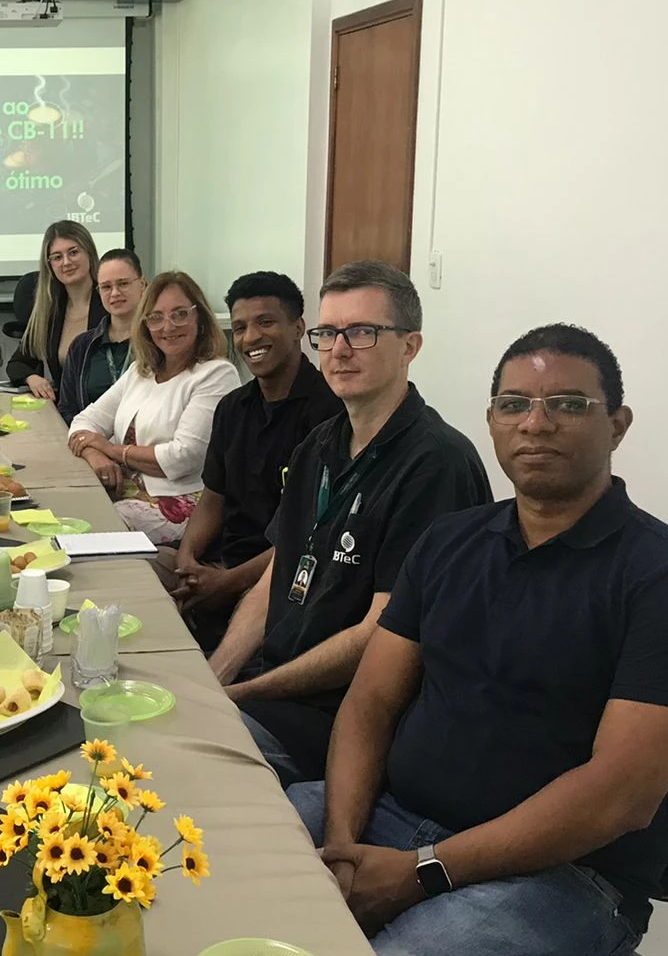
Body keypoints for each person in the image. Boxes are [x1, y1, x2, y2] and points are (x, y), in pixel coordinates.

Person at [289, 325, 668, 956]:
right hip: (390, 819)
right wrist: (343, 841)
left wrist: (422, 872)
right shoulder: (450, 543)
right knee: (217, 871)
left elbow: (618, 798)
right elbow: (369, 703)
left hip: (561, 881)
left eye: (568, 403)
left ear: (617, 425)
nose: (536, 423)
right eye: (514, 403)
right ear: (492, 420)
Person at [210, 260, 490, 785]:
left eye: (362, 332)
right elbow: (277, 577)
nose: (338, 350)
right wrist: (214, 675)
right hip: (274, 686)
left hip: (346, 718)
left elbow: (381, 633)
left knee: (187, 763)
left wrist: (241, 693)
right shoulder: (318, 445)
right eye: (327, 334)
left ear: (410, 346)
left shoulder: (436, 464)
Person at [161, 272, 343, 651]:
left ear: (298, 328)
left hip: (277, 578)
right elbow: (213, 498)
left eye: (266, 322)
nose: (251, 337)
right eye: (241, 327)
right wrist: (187, 561)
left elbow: (310, 539)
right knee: (134, 579)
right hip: (219, 562)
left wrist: (229, 582)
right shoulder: (232, 408)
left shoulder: (330, 415)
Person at [66, 271, 241, 543]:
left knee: (92, 529)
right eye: (156, 317)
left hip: (180, 502)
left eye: (180, 314)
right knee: (62, 514)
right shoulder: (141, 371)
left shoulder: (216, 374)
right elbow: (83, 422)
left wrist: (111, 450)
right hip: (124, 491)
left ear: (200, 317)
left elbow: (182, 457)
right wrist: (95, 455)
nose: (168, 326)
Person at [8, 220, 107, 402]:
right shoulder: (50, 311)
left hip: (107, 411)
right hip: (66, 410)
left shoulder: (109, 303)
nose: (66, 262)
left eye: (73, 252)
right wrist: (32, 378)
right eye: (57, 257)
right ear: (50, 265)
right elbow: (17, 363)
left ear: (89, 252)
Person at [56, 247, 145, 424]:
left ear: (142, 284)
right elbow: (67, 409)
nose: (115, 293)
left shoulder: (159, 341)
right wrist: (86, 436)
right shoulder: (82, 346)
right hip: (89, 437)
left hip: (142, 439)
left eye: (123, 284)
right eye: (106, 287)